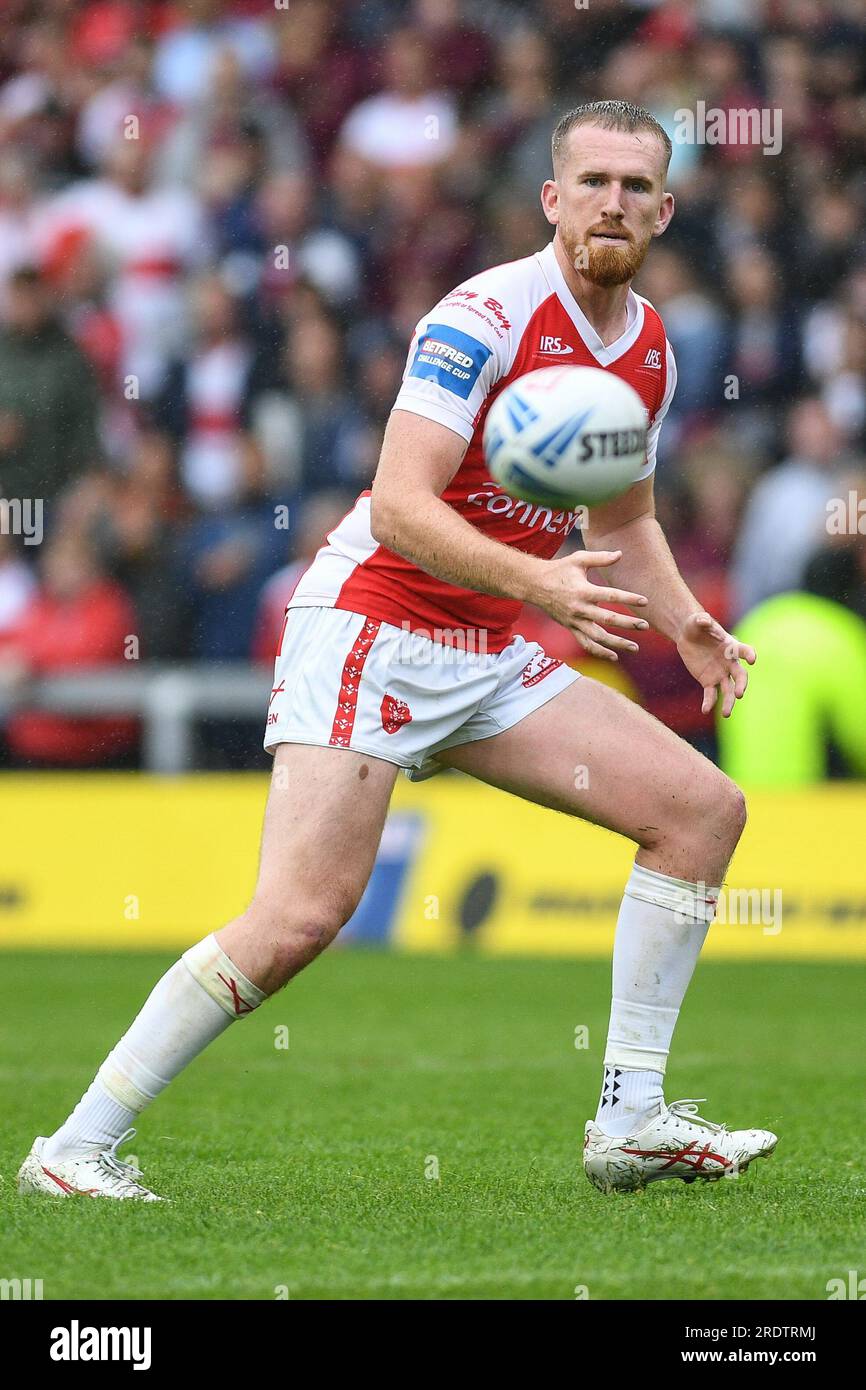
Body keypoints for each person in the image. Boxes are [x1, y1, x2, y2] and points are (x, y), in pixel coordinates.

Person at [18, 101, 775, 1202]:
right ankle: (73, 1149)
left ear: (665, 207)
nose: (613, 201)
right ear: (550, 200)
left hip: (482, 640)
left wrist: (682, 618)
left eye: (635, 185)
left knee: (701, 811)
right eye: (592, 181)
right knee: (296, 920)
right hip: (371, 626)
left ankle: (631, 1118)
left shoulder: (647, 345)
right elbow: (402, 504)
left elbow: (619, 519)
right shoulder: (480, 317)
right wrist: (535, 581)